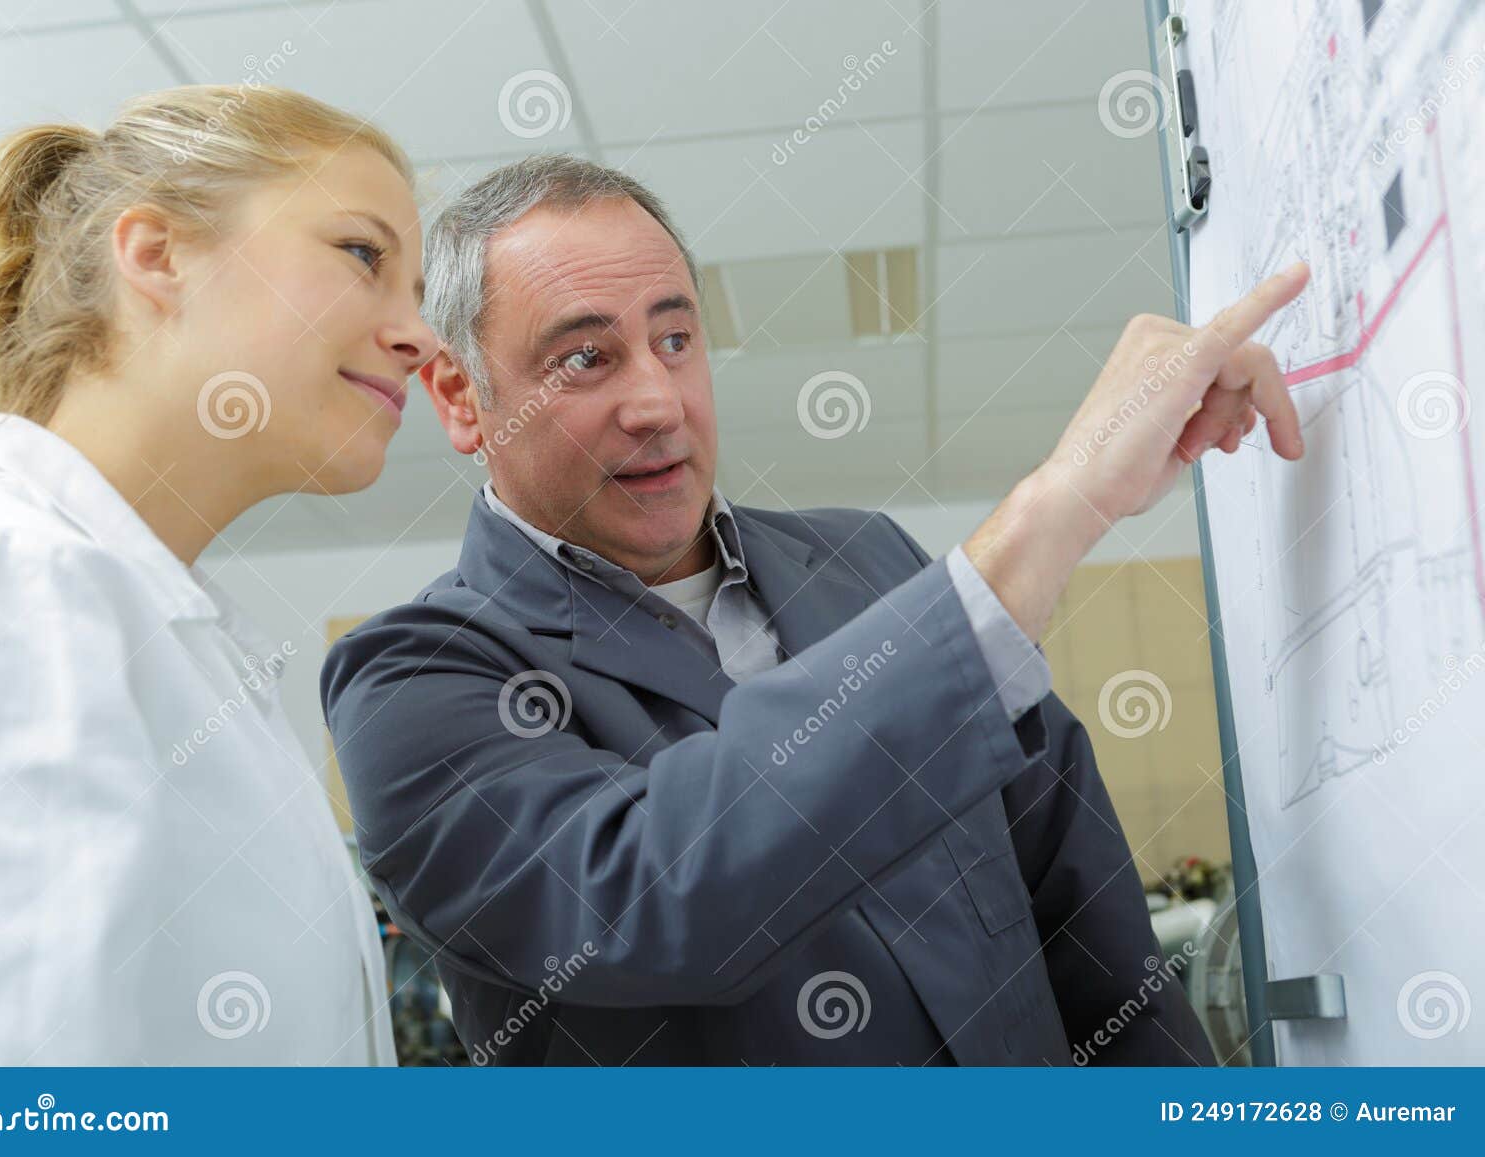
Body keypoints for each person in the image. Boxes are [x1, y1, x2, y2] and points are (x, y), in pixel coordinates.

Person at [322, 155, 1307, 1065]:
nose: (659, 400)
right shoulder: (414, 680)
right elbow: (660, 894)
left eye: (675, 338)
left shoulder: (865, 559)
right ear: (459, 393)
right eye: (586, 358)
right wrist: (1059, 507)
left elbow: (1082, 918)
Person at [0, 85, 435, 1064]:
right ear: (155, 253)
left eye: (419, 295)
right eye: (362, 254)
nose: (420, 337)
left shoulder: (177, 636)